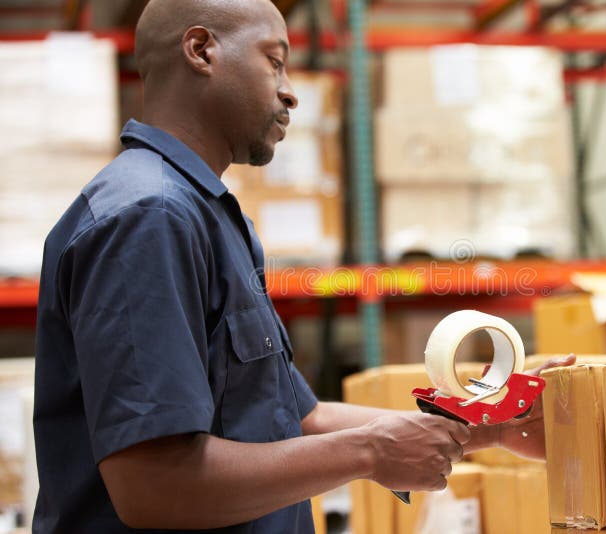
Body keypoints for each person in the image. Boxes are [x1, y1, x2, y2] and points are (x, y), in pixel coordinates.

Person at [32, 0, 574, 532]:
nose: (290, 90)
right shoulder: (149, 217)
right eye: (274, 61)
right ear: (201, 50)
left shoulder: (213, 218)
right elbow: (154, 486)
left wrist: (494, 423)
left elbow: (300, 420)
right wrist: (369, 452)